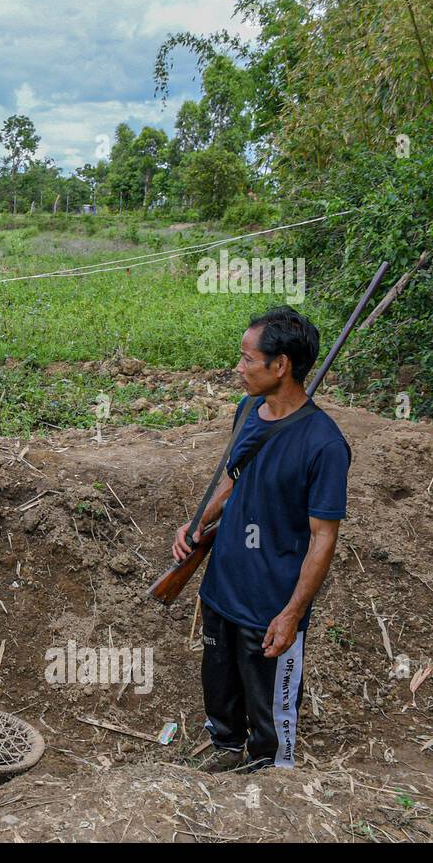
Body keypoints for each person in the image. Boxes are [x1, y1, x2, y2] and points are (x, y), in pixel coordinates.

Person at [173, 306, 350, 772]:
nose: (238, 368)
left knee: (271, 721)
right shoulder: (248, 410)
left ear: (281, 365)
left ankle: (267, 778)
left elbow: (322, 538)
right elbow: (234, 479)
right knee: (221, 690)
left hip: (270, 604)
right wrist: (196, 525)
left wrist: (291, 614)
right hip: (222, 586)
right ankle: (226, 749)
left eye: (248, 359)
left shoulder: (324, 444)